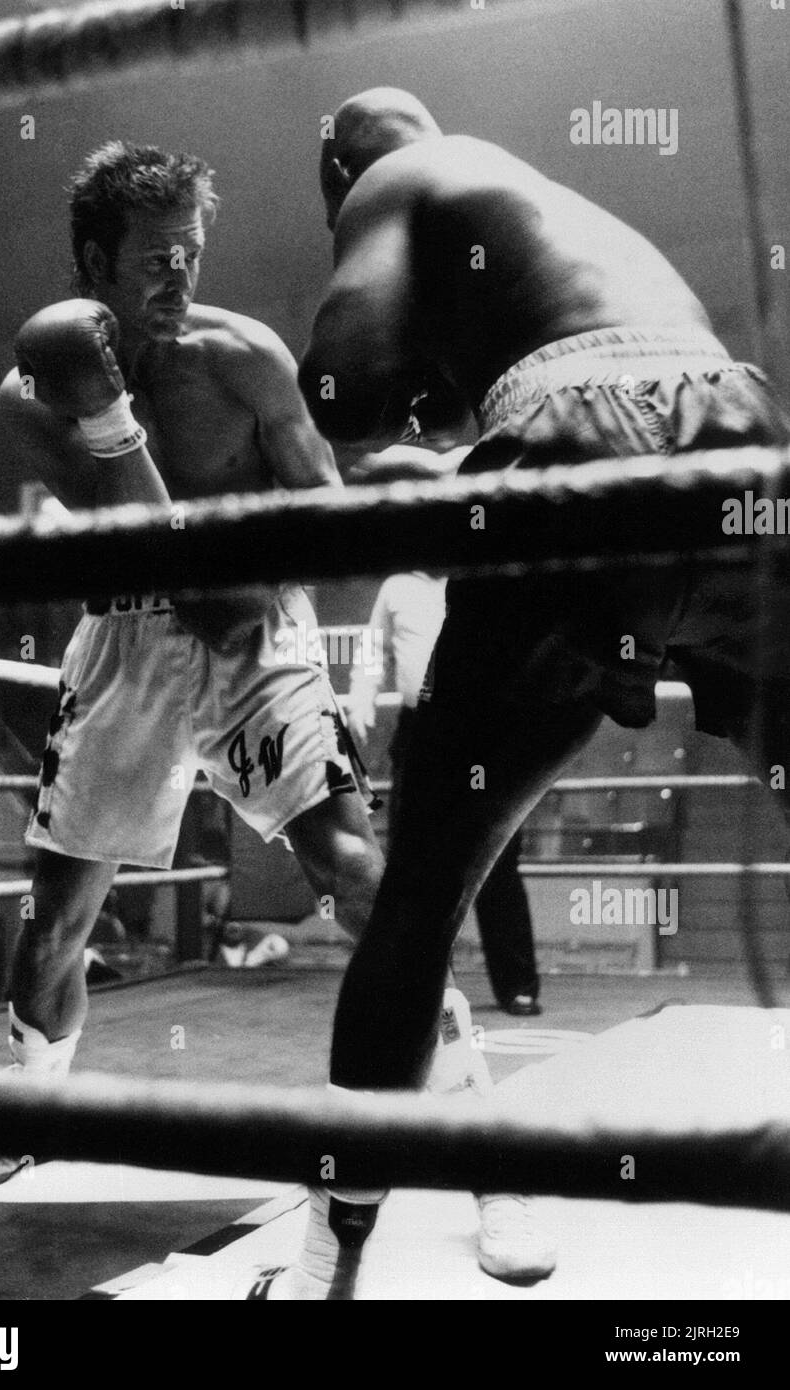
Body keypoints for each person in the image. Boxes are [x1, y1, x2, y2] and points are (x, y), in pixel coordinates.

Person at [247, 87, 790, 1300]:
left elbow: (339, 388)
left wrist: (413, 427)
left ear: (339, 172)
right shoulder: (559, 212)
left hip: (578, 456)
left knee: (420, 894)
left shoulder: (399, 176)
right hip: (745, 448)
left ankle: (333, 1245)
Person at [0, 142, 507, 1235]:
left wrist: (247, 574)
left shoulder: (245, 359)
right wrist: (108, 418)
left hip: (259, 633)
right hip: (126, 638)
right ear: (93, 260)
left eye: (190, 254)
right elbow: (135, 539)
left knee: (349, 865)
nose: (178, 278)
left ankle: (471, 1121)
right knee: (56, 915)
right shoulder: (31, 392)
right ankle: (28, 1110)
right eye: (154, 259)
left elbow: (326, 516)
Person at [348, 569, 541, 1015]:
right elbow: (372, 653)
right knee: (412, 865)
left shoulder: (490, 578)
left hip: (489, 728)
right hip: (422, 732)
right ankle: (421, 987)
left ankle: (518, 985)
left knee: (499, 862)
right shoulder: (395, 586)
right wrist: (361, 701)